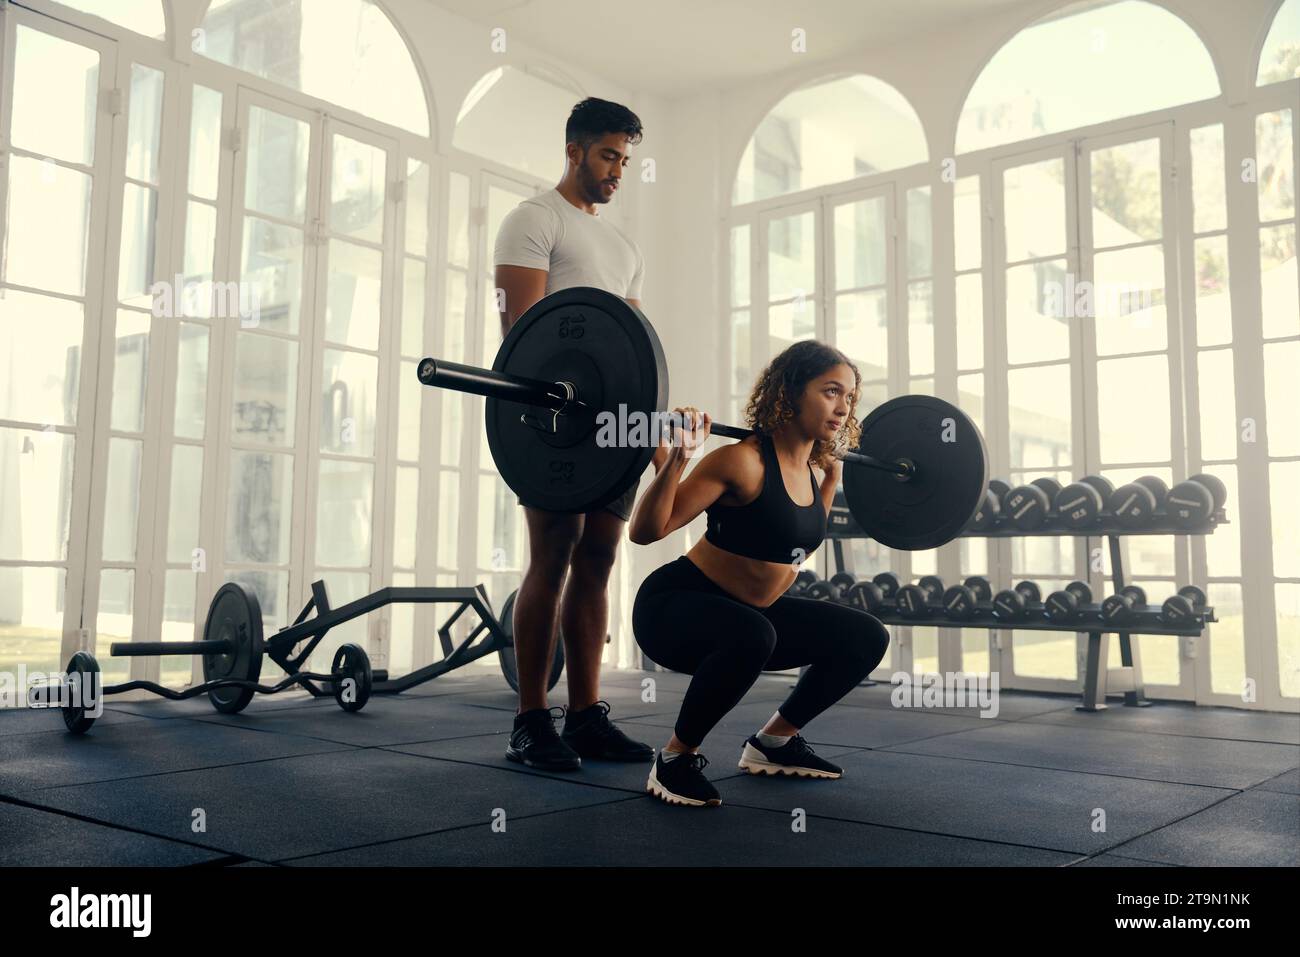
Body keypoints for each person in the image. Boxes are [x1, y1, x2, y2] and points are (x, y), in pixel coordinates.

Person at [628, 341, 891, 807]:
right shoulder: (741, 460)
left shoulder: (816, 472)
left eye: (849, 397)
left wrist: (830, 479)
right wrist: (678, 458)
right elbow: (648, 531)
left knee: (865, 635)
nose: (843, 406)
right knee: (754, 634)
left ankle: (773, 743)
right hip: (673, 609)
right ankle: (673, 759)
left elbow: (796, 542)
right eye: (831, 391)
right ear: (789, 392)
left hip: (749, 617)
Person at [492, 97, 656, 770]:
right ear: (574, 150)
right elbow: (522, 339)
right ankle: (532, 719)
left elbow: (633, 346)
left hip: (612, 425)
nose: (618, 170)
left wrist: (651, 414)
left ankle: (585, 714)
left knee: (599, 560)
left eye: (625, 158)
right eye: (609, 155)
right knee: (552, 555)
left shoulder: (623, 246)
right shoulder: (533, 221)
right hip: (550, 421)